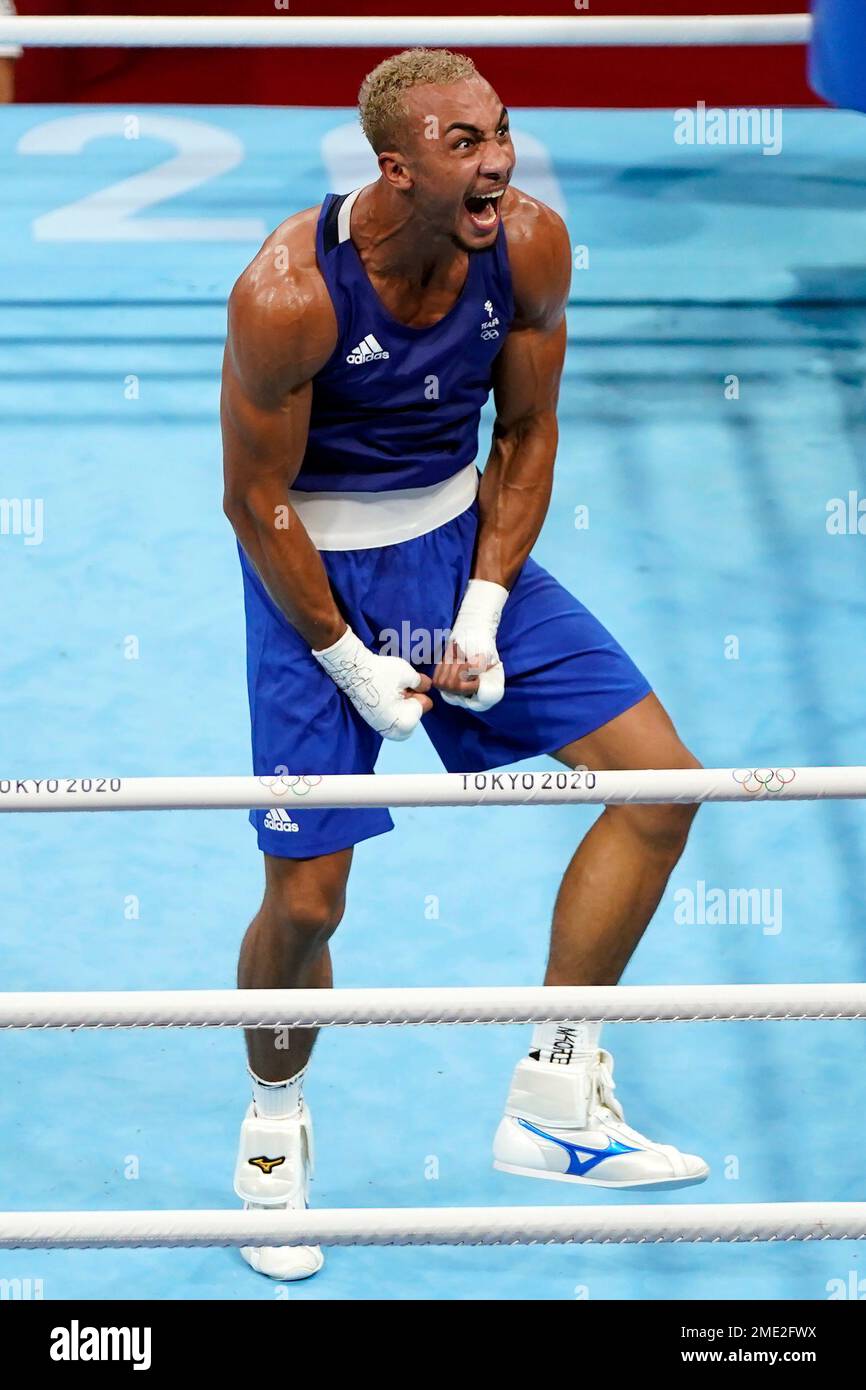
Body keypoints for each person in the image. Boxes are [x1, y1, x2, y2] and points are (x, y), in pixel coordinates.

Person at [221, 47, 707, 1282]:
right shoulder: (289, 294)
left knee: (658, 787)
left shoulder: (527, 245)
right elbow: (253, 499)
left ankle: (553, 1092)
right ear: (395, 167)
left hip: (455, 542)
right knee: (308, 899)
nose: (496, 158)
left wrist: (483, 606)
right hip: (313, 573)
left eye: (500, 130)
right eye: (462, 143)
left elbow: (530, 431)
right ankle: (273, 1130)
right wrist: (344, 658)